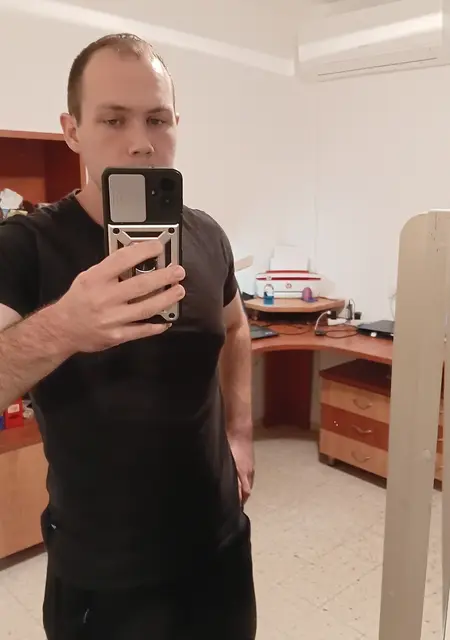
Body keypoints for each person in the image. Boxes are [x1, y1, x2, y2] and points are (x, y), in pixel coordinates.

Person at [0, 33, 256, 640]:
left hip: (218, 546)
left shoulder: (207, 235)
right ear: (72, 131)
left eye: (157, 119)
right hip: (103, 573)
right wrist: (65, 325)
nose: (141, 141)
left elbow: (235, 326)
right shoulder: (24, 245)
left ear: (176, 126)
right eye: (113, 120)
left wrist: (240, 434)